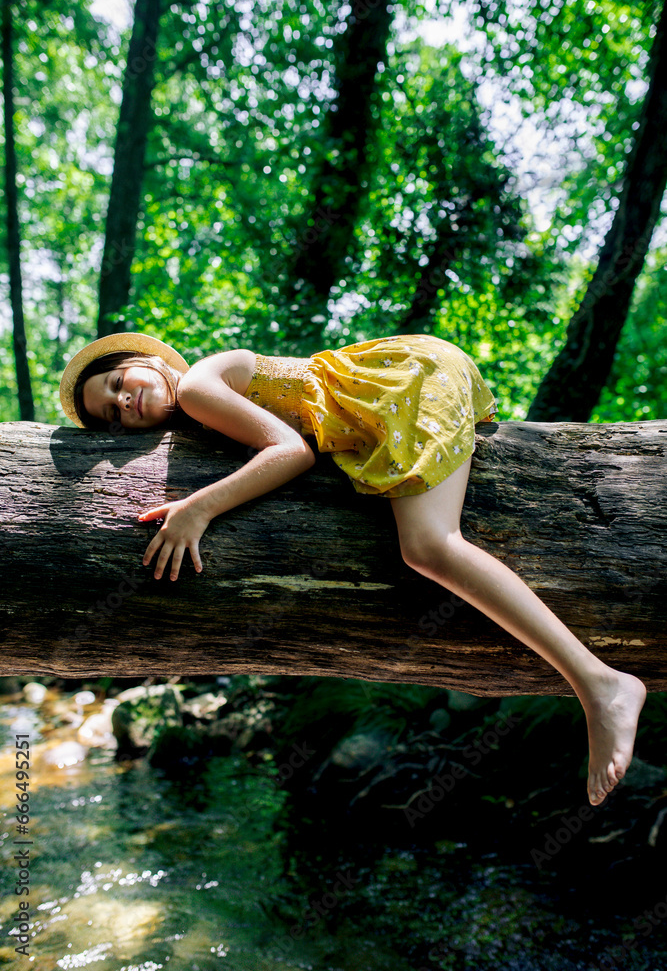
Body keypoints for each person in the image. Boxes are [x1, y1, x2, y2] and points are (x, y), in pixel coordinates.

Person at [59, 331, 646, 807]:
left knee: (429, 546)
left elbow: (290, 450)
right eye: (111, 416)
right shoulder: (201, 411)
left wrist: (199, 507)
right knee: (424, 548)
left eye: (117, 382)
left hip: (402, 380)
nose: (123, 403)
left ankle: (602, 684)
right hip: (406, 377)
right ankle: (597, 685)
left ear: (146, 361)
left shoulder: (196, 386)